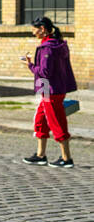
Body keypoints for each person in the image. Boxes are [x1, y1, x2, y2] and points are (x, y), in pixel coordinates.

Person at [22, 16, 77, 168]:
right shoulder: (58, 44)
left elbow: (45, 72)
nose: (33, 33)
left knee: (56, 122)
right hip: (52, 89)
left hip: (50, 90)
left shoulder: (47, 48)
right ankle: (40, 155)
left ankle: (66, 158)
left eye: (34, 30)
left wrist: (30, 66)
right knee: (40, 120)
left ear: (42, 29)